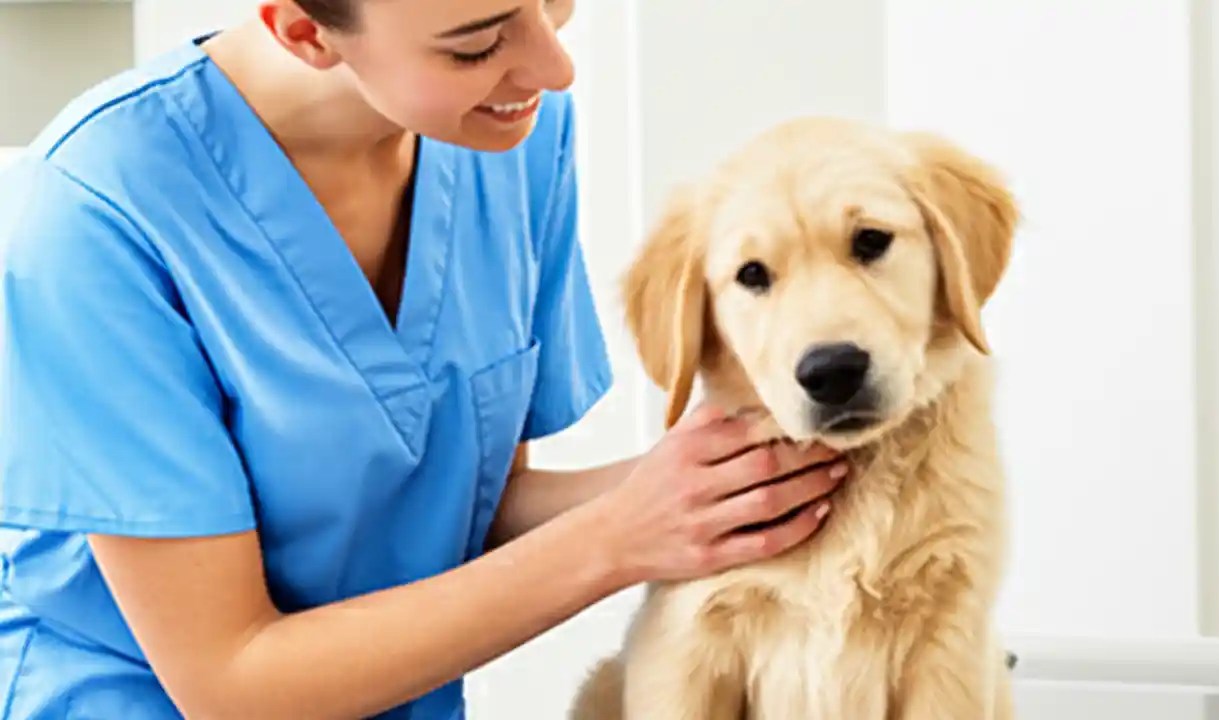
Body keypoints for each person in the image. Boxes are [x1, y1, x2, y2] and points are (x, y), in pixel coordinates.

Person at [0, 1, 850, 718]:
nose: (554, 67)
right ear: (305, 32)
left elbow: (470, 506)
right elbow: (231, 684)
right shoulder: (102, 211)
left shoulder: (509, 129)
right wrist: (618, 540)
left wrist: (720, 480)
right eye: (476, 45)